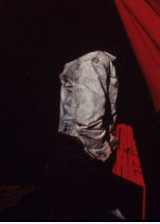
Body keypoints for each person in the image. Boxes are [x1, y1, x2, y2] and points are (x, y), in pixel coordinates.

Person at [49, 50, 119, 220]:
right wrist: (102, 152)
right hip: (81, 151)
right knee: (81, 211)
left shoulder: (81, 60)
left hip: (72, 148)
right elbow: (89, 122)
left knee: (70, 210)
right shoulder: (94, 60)